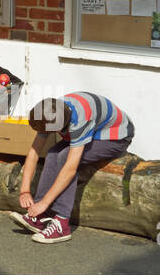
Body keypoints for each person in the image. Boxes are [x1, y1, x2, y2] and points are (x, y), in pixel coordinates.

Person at [11, 92, 136, 244]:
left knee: (64, 157)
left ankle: (62, 223)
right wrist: (25, 191)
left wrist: (44, 203)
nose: (45, 134)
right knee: (52, 153)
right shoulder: (50, 112)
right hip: (93, 131)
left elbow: (70, 168)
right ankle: (40, 217)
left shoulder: (80, 121)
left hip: (115, 138)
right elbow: (34, 151)